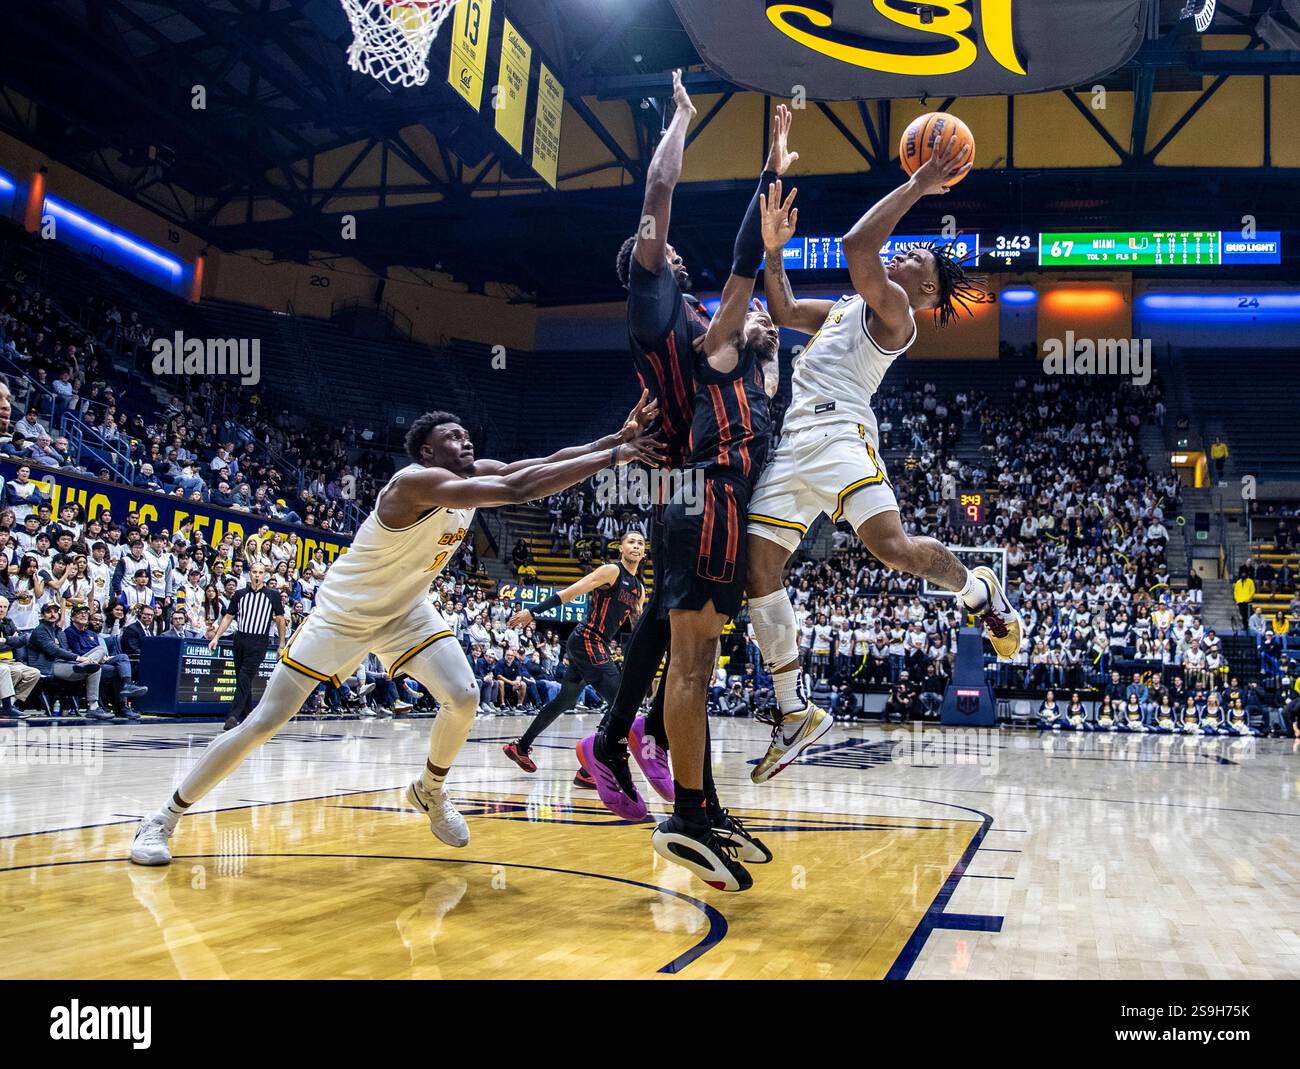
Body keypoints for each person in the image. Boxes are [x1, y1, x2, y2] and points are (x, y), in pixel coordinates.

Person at [129, 404, 661, 866]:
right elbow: (518, 488)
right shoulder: (413, 483)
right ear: (427, 453)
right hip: (343, 616)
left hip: (407, 612)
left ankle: (430, 791)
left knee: (464, 695)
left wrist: (615, 439)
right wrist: (619, 458)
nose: (465, 440)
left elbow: (537, 466)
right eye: (451, 437)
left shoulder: (470, 480)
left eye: (466, 434)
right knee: (263, 723)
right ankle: (163, 818)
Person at [744, 126, 1021, 784]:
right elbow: (779, 307)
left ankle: (978, 585)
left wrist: (923, 183)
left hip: (841, 432)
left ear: (925, 291)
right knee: (758, 571)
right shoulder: (847, 305)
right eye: (907, 256)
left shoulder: (897, 311)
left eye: (916, 262)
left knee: (891, 549)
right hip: (793, 442)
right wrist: (774, 252)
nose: (902, 259)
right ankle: (793, 711)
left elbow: (855, 244)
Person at [580, 80, 793, 875]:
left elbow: (740, 279)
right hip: (699, 487)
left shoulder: (694, 327)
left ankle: (668, 776)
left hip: (693, 481)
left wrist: (770, 175)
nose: (673, 252)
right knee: (690, 659)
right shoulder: (652, 299)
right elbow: (661, 189)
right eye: (664, 252)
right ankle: (665, 786)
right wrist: (679, 119)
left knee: (684, 651)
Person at [502, 530, 647, 789]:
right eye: (631, 542)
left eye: (640, 543)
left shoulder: (639, 589)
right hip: (587, 639)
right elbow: (572, 591)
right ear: (621, 548)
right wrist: (533, 612)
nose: (635, 546)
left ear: (644, 552)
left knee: (566, 700)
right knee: (622, 702)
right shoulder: (611, 572)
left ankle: (521, 747)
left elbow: (638, 626)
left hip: (596, 644)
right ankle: (590, 767)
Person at [207, 562, 288, 732]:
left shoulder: (273, 595)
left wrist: (281, 644)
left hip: (259, 641)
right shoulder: (239, 594)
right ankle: (248, 715)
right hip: (240, 639)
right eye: (254, 572)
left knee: (244, 677)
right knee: (242, 679)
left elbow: (280, 619)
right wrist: (216, 637)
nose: (257, 575)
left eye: (260, 572)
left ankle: (233, 716)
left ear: (265, 574)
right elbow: (228, 617)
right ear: (249, 574)